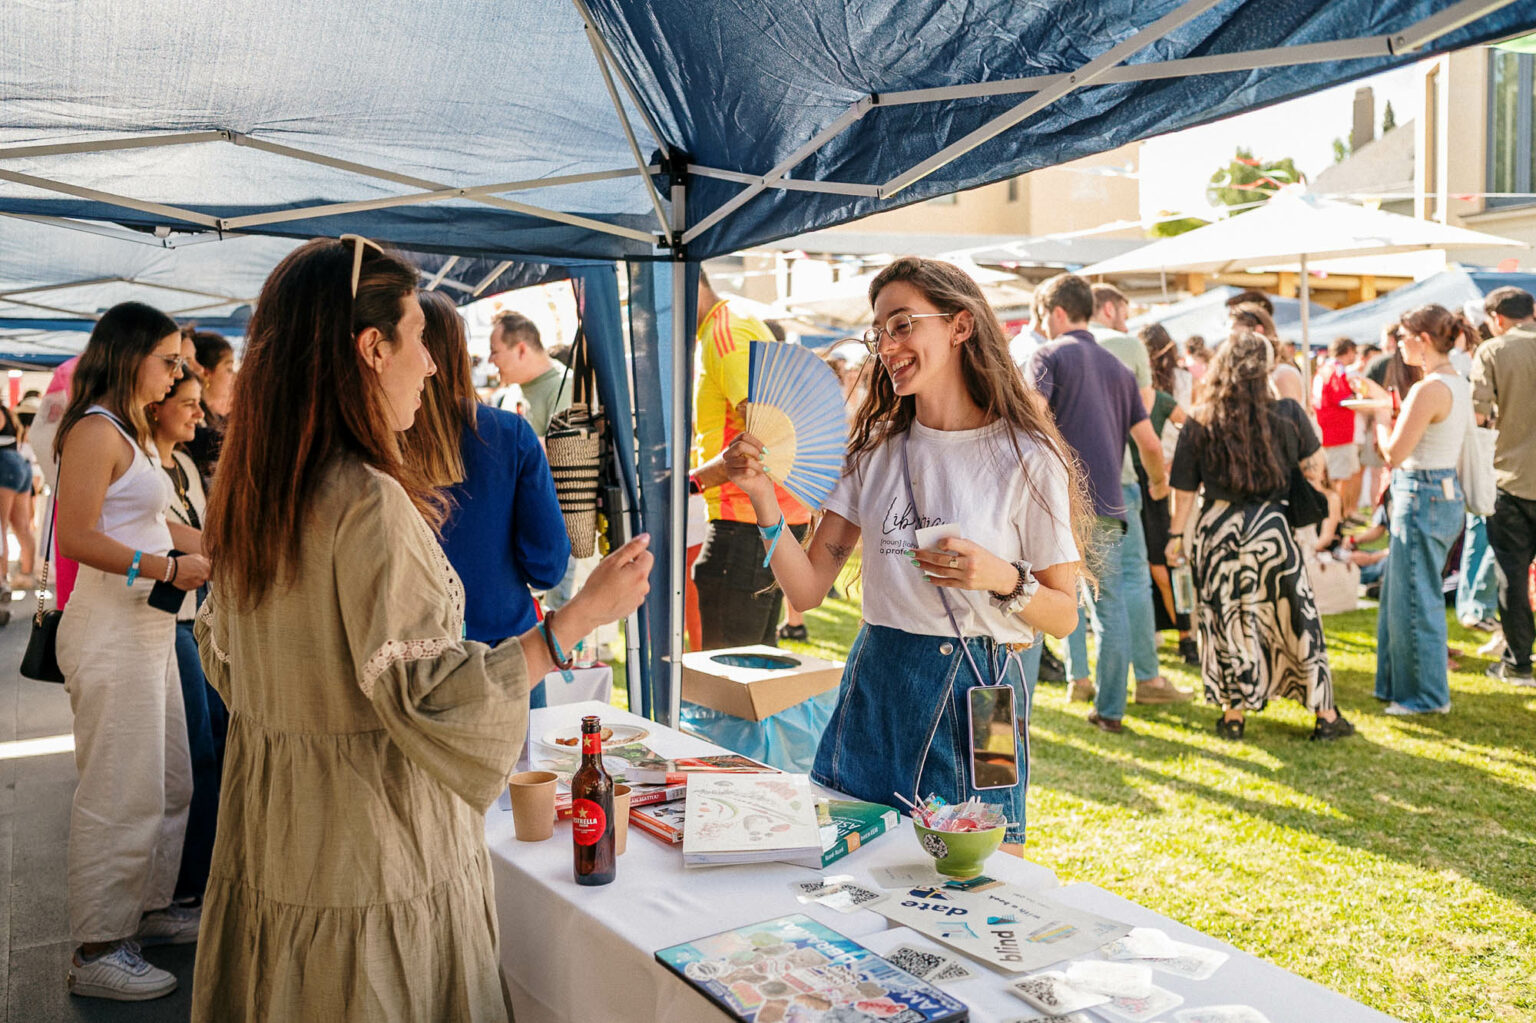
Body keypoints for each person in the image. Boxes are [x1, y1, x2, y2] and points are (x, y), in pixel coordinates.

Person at [192, 237, 651, 1021]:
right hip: (372, 846)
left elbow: (225, 658)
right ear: (372, 348)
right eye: (419, 340)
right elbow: (426, 697)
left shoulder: (258, 490)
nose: (434, 366)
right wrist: (572, 622)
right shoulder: (364, 501)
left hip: (276, 833)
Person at [722, 256, 1086, 850]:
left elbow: (1065, 615)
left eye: (901, 324)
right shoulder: (873, 456)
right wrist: (763, 496)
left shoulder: (1028, 457)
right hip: (875, 687)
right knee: (849, 869)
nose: (886, 345)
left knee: (982, 873)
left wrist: (999, 577)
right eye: (879, 332)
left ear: (960, 326)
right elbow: (807, 589)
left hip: (986, 696)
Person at [54, 302, 212, 1001]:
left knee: (168, 780)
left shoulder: (134, 432)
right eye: (169, 360)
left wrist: (219, 546)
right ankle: (96, 946)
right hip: (112, 632)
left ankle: (144, 911)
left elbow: (156, 522)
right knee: (119, 791)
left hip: (147, 632)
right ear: (129, 355)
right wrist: (169, 569)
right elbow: (77, 538)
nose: (179, 372)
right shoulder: (96, 429)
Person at [1166, 331, 1354, 741]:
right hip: (1272, 529)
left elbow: (1182, 490)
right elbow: (1315, 467)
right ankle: (1324, 713)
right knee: (1295, 617)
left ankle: (1234, 714)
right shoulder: (1288, 413)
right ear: (1266, 367)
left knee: (1227, 619)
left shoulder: (1200, 418)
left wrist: (1176, 535)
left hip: (1217, 530)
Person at [1028, 274, 1188, 734]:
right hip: (1110, 505)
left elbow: (1031, 423)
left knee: (1039, 600)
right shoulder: (1119, 369)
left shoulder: (1048, 356)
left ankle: (1022, 715)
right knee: (1111, 606)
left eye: (1043, 316)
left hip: (1057, 506)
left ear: (1058, 313)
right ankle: (1110, 710)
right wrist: (1158, 484)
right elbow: (1149, 442)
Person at [402, 289, 571, 708]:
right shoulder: (509, 434)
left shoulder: (370, 444)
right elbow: (547, 564)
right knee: (519, 775)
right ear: (458, 353)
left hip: (407, 667)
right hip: (505, 660)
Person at [689, 268, 812, 648]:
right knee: (751, 667)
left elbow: (766, 432)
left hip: (747, 522)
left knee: (729, 674)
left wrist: (696, 481)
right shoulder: (734, 323)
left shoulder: (725, 332)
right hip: (767, 519)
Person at [149, 371, 226, 906]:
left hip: (198, 612)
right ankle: (186, 889)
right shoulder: (144, 467)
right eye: (188, 404)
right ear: (157, 408)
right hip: (167, 620)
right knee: (194, 753)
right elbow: (167, 532)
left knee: (215, 740)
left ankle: (201, 874)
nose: (199, 414)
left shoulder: (182, 466)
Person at [1370, 305, 1470, 713]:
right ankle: (1400, 684)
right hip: (1439, 493)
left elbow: (1394, 451)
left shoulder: (1428, 388)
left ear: (1423, 340)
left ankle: (1426, 697)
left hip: (1423, 493)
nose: (1398, 343)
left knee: (1416, 597)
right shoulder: (1454, 381)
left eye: (1404, 336)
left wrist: (1379, 416)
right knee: (1403, 592)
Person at [1471, 286, 1536, 686]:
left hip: (1511, 479)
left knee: (1511, 574)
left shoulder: (1493, 350)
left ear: (1497, 318)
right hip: (1515, 477)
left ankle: (1518, 664)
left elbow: (1477, 417)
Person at [1139, 323, 1197, 665]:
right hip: (1141, 490)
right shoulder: (1129, 396)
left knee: (1167, 565)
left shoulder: (1164, 397)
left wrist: (1177, 464)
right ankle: (1168, 630)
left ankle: (1186, 633)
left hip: (1163, 488)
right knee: (1153, 567)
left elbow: (1191, 428)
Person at [486, 310, 573, 438]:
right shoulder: (514, 389)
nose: (490, 360)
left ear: (521, 350)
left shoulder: (565, 387)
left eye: (494, 352)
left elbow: (561, 450)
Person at [1314, 337, 1364, 518]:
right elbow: (1342, 399)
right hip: (1337, 433)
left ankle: (1335, 518)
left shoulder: (1324, 369)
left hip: (1329, 431)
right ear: (1348, 351)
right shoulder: (1336, 370)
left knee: (1335, 477)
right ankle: (1335, 520)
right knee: (1338, 479)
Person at [183, 329, 235, 485]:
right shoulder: (192, 424)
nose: (233, 377)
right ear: (207, 373)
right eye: (229, 369)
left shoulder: (214, 418)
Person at [0, 401, 38, 590]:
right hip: (18, 465)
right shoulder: (8, 413)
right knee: (21, 526)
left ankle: (2, 580)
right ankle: (26, 574)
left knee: (2, 526)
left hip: (5, 465)